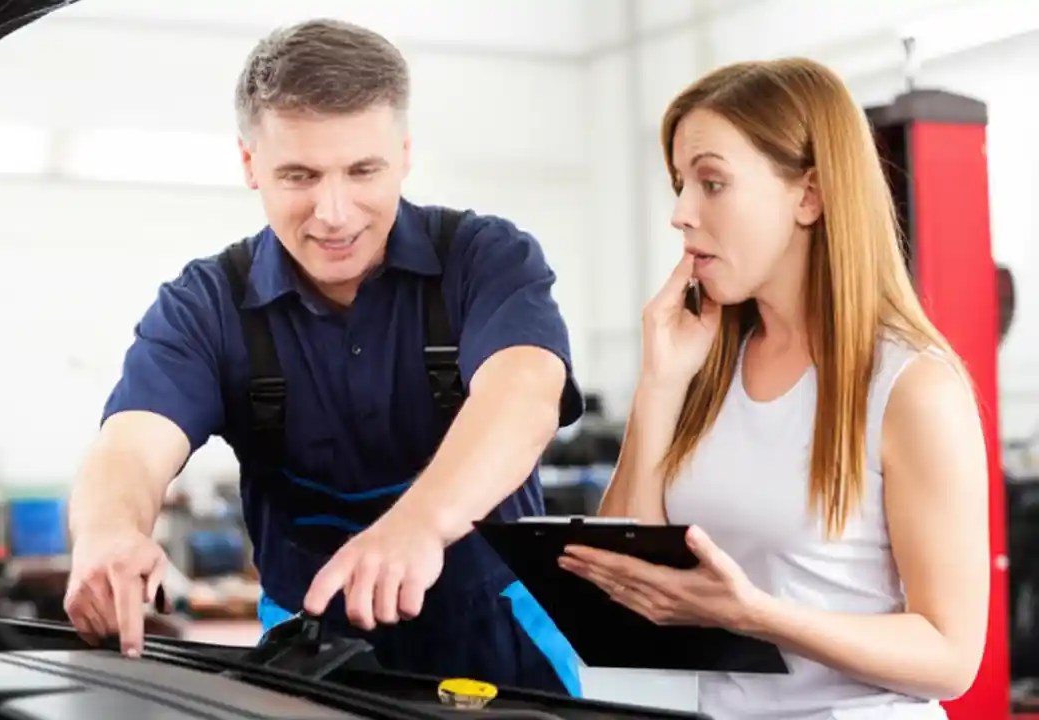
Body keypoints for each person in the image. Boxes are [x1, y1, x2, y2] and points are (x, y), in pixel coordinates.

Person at [61, 18, 586, 696]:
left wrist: (419, 526)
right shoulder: (206, 305)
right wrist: (108, 533)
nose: (334, 213)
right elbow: (131, 447)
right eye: (299, 175)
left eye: (362, 170)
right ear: (250, 165)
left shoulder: (485, 260)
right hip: (311, 661)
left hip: (503, 648)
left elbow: (523, 395)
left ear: (403, 154)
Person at [558, 58, 990, 719]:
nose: (680, 214)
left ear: (809, 196)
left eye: (711, 182)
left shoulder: (913, 386)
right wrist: (659, 384)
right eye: (679, 185)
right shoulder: (702, 364)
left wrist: (756, 614)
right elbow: (624, 580)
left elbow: (951, 656)